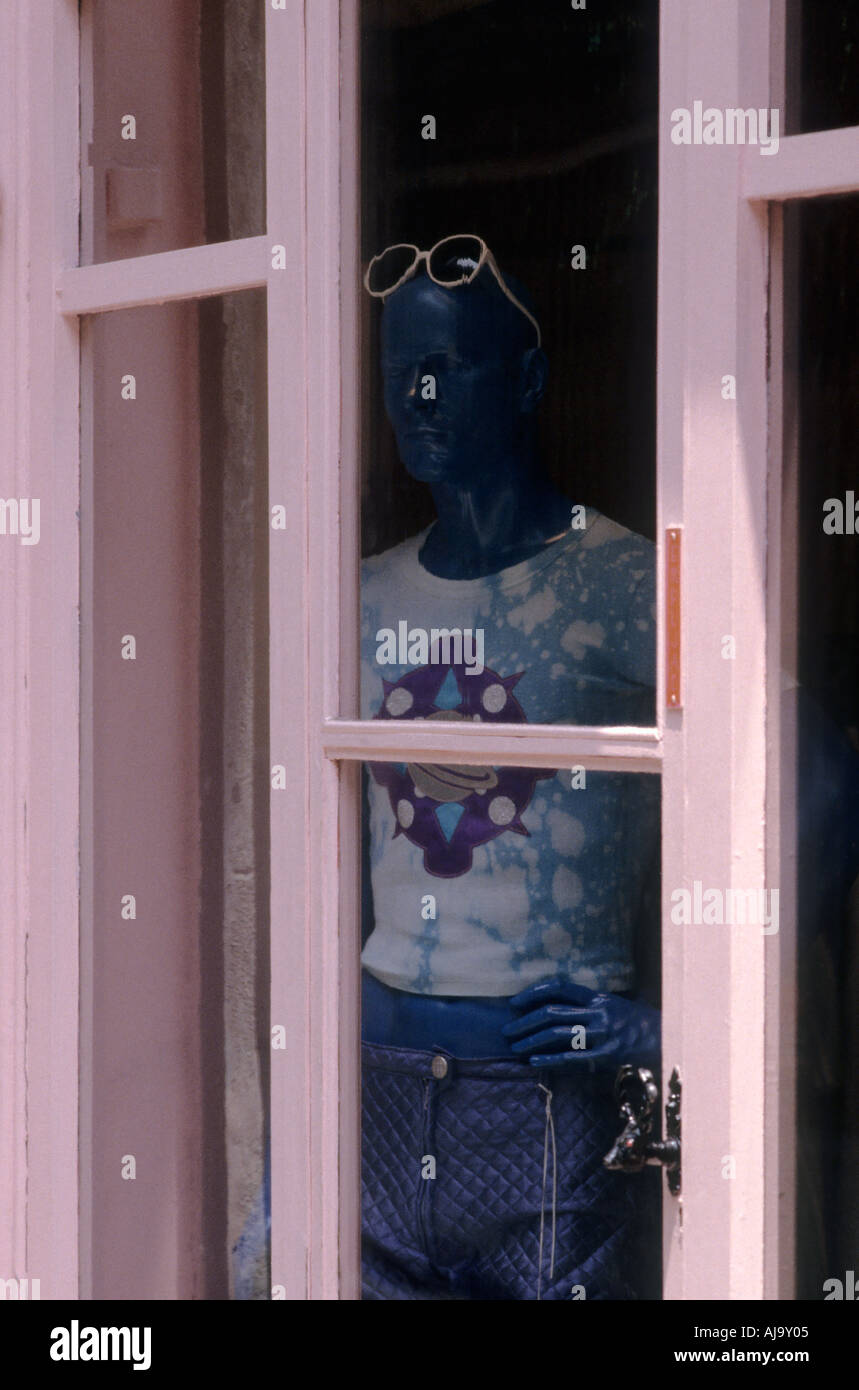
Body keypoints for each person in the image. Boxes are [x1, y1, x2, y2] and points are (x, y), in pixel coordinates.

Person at [360, 236, 661, 1300]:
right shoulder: (363, 595)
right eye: (401, 374)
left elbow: (807, 776)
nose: (421, 397)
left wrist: (675, 1019)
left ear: (529, 379)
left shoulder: (618, 579)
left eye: (450, 367)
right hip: (378, 1091)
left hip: (543, 1104)